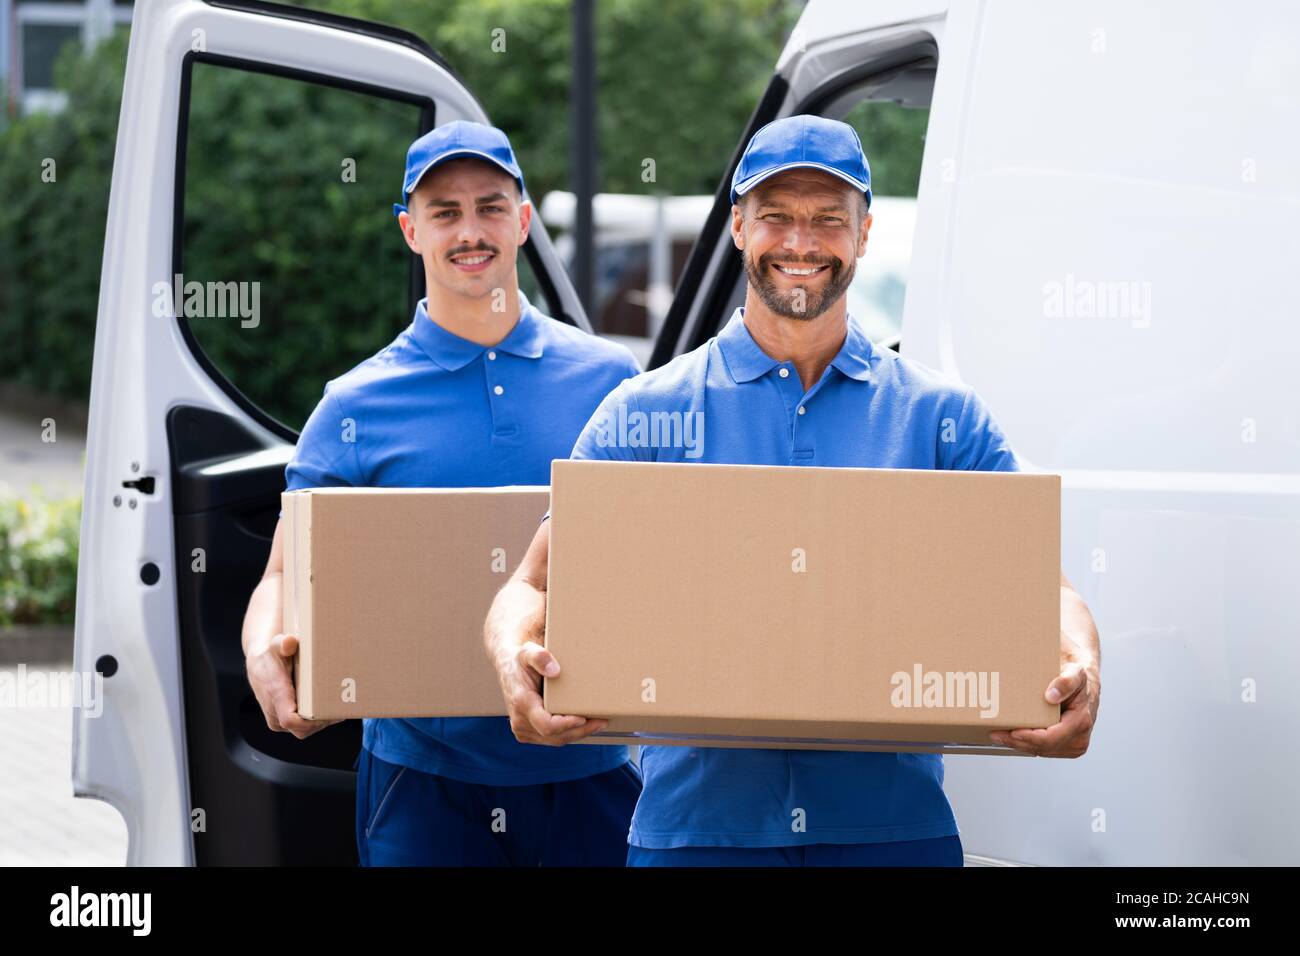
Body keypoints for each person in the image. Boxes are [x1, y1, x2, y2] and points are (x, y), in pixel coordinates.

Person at [484, 114, 1101, 867]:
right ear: (739, 227)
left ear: (865, 234)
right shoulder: (645, 415)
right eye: (776, 216)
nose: (802, 243)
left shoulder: (941, 420)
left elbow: (1046, 589)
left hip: (892, 832)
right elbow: (532, 586)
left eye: (828, 220)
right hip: (699, 833)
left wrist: (1081, 665)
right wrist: (514, 659)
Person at [241, 121, 642, 866]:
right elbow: (284, 574)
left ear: (523, 222)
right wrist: (263, 649)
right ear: (410, 231)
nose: (470, 231)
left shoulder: (611, 383)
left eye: (490, 207)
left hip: (594, 772)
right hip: (424, 786)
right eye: (444, 212)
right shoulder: (355, 405)